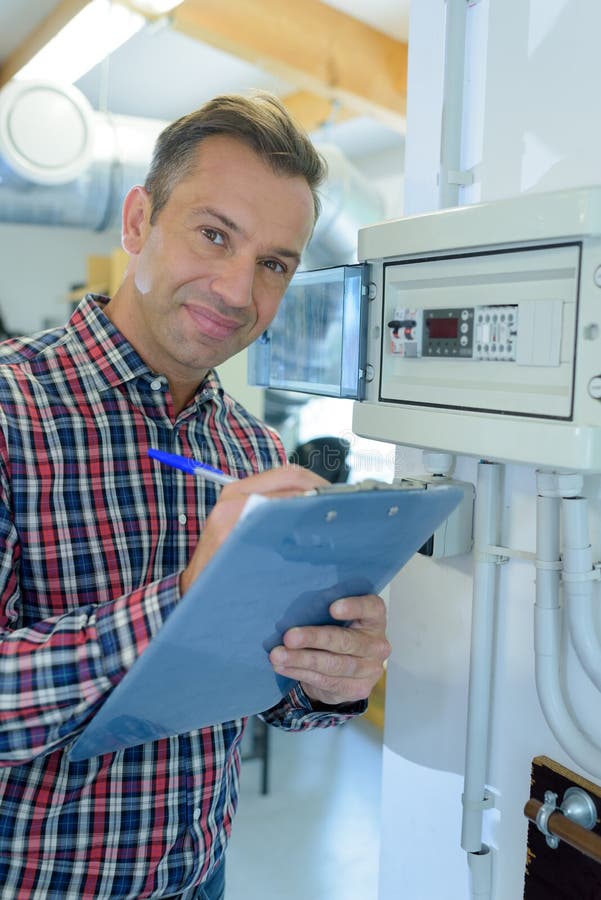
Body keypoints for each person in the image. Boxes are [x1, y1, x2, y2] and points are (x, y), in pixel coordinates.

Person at [0, 92, 390, 899]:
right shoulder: (11, 411)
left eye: (273, 263)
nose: (238, 291)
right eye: (214, 235)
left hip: (197, 872)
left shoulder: (251, 448)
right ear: (139, 221)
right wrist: (179, 601)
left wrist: (325, 679)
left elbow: (266, 689)